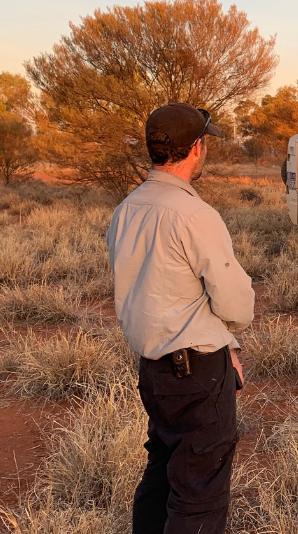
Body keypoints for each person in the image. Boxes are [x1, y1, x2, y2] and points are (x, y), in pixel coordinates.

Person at [106, 103, 254, 534]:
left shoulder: (127, 209)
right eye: (204, 142)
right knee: (199, 496)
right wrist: (226, 340)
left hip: (154, 371)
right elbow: (235, 304)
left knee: (162, 477)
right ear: (195, 148)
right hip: (198, 374)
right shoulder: (194, 215)